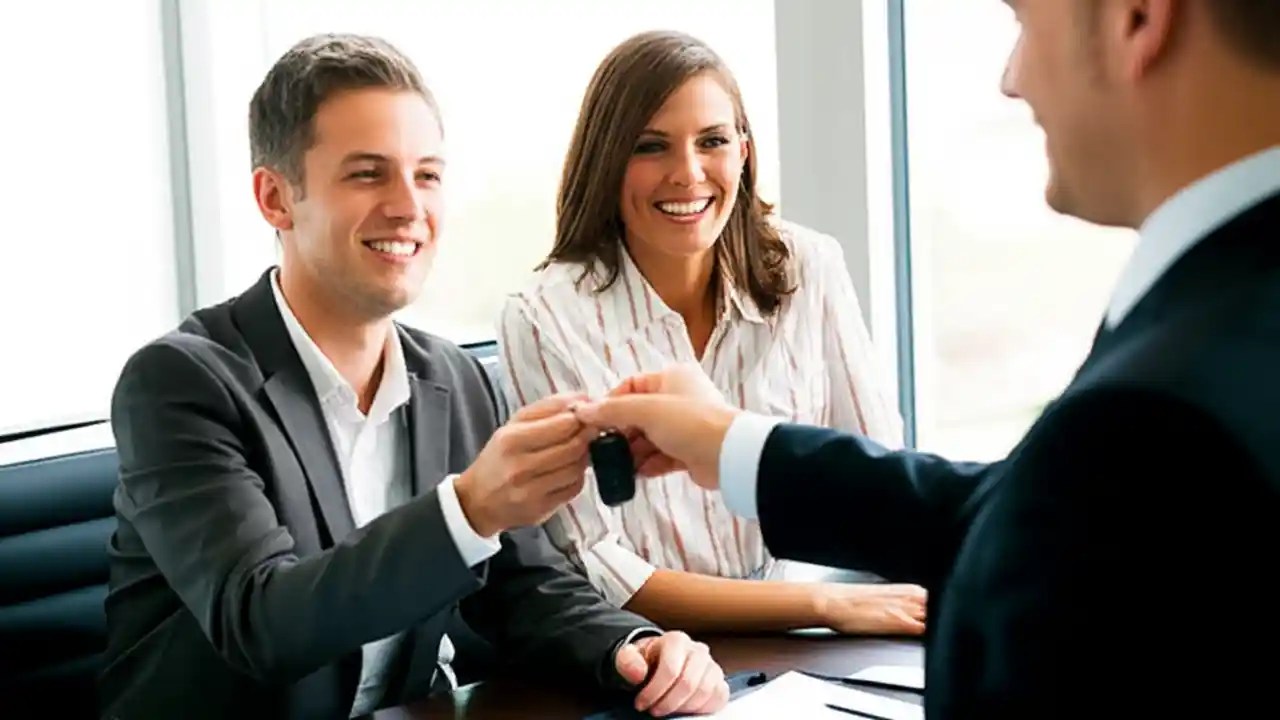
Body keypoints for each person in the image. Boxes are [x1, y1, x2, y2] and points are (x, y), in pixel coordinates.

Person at [571, 1, 1280, 716]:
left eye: (1024, 23)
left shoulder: (1157, 413)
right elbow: (1018, 511)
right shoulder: (1218, 331)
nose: (1012, 79)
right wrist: (736, 446)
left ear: (1137, 18)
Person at [99, 33, 728, 720]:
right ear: (275, 198)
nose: (408, 207)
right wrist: (471, 508)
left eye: (427, 175)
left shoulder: (451, 378)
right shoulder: (179, 383)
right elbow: (261, 622)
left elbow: (524, 588)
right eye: (368, 174)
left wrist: (637, 648)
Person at [497, 29, 926, 637]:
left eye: (712, 141)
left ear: (743, 152)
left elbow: (883, 485)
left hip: (812, 645)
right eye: (651, 147)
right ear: (607, 161)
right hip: (653, 652)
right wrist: (821, 606)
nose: (688, 173)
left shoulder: (809, 266)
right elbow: (600, 567)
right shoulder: (545, 317)